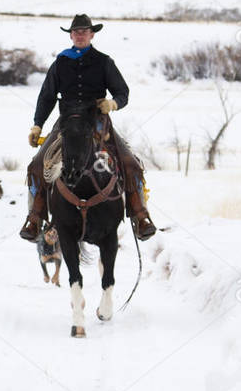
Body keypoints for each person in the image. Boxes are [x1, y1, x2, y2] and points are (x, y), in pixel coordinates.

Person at [19, 14, 156, 242]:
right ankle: (34, 219)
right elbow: (47, 97)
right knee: (35, 166)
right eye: (76, 32)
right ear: (71, 35)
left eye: (84, 31)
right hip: (66, 123)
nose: (80, 35)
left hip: (99, 124)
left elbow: (123, 93)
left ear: (92, 34)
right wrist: (37, 125)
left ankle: (141, 217)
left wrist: (112, 103)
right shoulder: (60, 63)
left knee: (131, 164)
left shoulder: (104, 61)